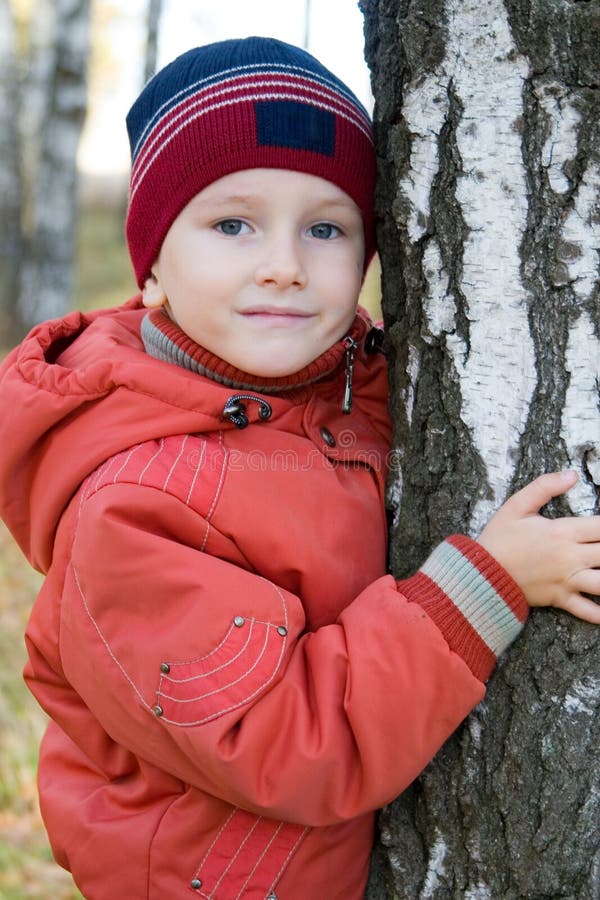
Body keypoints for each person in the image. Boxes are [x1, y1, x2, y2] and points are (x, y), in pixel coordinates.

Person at [0, 36, 598, 900]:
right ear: (153, 268)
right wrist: (488, 584)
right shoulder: (137, 508)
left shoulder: (353, 385)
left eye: (325, 228)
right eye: (232, 224)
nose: (283, 264)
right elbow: (292, 745)